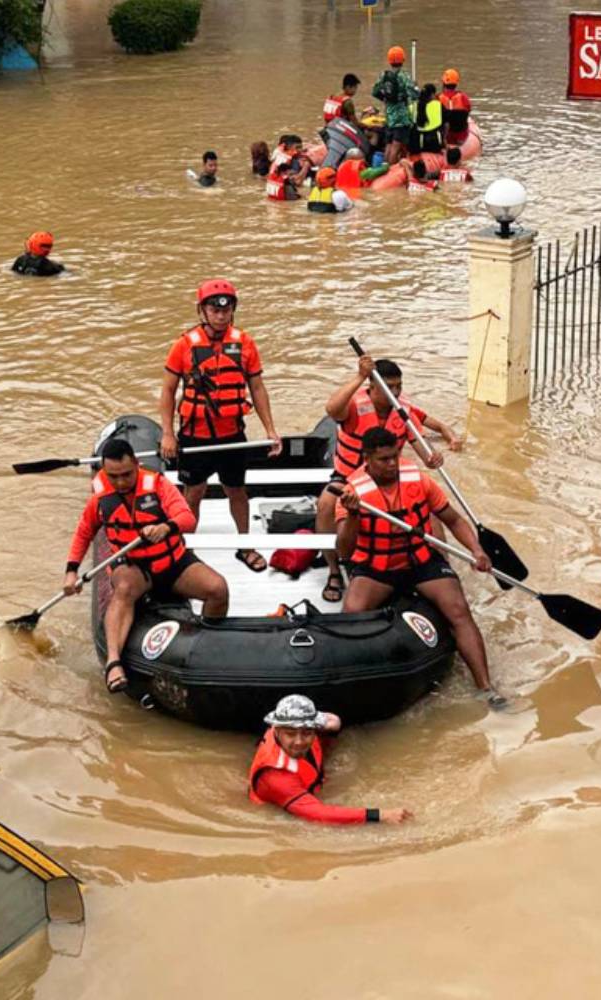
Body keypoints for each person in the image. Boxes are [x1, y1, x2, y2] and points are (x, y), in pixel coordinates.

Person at [64, 438, 229, 693]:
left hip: (172, 563)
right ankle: (114, 663)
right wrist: (71, 571)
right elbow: (84, 533)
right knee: (124, 589)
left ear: (137, 465)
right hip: (133, 566)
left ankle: (208, 647)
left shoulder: (158, 485)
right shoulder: (100, 497)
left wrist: (166, 527)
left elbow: (186, 518)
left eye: (126, 474)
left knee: (217, 589)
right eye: (113, 476)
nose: (120, 482)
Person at [336, 427, 494, 692]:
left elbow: (453, 520)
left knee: (458, 610)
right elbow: (344, 549)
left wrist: (476, 550)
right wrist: (353, 515)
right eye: (383, 460)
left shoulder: (418, 480)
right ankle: (350, 686)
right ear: (367, 459)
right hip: (378, 568)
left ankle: (487, 688)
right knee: (351, 615)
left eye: (394, 457)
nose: (391, 465)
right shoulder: (352, 492)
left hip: (421, 562)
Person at [159, 280, 283, 573]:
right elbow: (167, 391)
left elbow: (257, 387)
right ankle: (185, 551)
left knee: (237, 491)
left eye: (226, 309)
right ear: (202, 311)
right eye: (214, 309)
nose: (220, 315)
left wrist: (270, 430)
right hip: (195, 436)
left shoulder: (245, 343)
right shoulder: (183, 345)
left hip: (232, 435)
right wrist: (167, 433)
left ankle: (246, 546)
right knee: (193, 494)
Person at [315, 355, 460, 603]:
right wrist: (360, 375)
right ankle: (334, 570)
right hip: (350, 475)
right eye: (388, 387)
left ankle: (441, 566)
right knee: (326, 505)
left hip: (389, 475)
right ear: (371, 387)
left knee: (429, 510)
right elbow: (331, 409)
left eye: (398, 386)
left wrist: (433, 458)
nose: (395, 392)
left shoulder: (402, 411)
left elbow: (422, 449)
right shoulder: (354, 407)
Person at [249, 694, 411, 825]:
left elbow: (332, 721)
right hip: (289, 805)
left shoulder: (311, 731)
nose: (299, 741)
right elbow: (319, 814)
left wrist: (334, 726)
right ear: (276, 732)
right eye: (290, 734)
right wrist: (380, 815)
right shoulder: (275, 778)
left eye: (306, 732)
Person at [371, 46, 418, 153]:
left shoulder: (384, 75)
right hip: (401, 117)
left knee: (388, 144)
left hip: (389, 115)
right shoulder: (404, 76)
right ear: (403, 59)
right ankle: (391, 167)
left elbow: (374, 91)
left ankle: (385, 164)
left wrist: (385, 99)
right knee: (396, 146)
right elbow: (414, 95)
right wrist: (415, 87)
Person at [438, 68, 473, 150]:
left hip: (446, 135)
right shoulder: (463, 97)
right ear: (456, 83)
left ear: (443, 83)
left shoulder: (438, 98)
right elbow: (468, 109)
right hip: (460, 134)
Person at [414, 82, 444, 154]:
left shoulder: (414, 105)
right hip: (434, 144)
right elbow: (446, 123)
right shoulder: (438, 105)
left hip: (418, 143)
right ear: (432, 95)